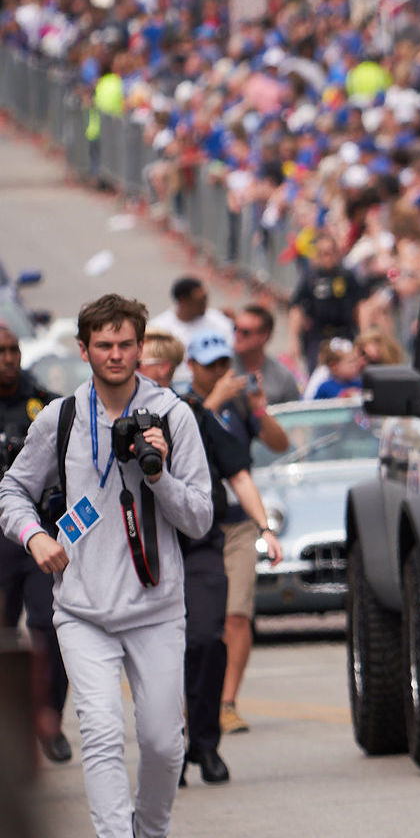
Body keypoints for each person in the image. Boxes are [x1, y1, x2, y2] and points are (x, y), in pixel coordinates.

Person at [0, 296, 213, 838]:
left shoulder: (172, 415)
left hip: (155, 605)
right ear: (85, 349)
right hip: (83, 609)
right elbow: (12, 488)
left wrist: (157, 476)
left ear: (140, 347)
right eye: (103, 345)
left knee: (163, 742)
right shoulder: (61, 418)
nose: (115, 356)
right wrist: (34, 535)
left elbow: (199, 516)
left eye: (126, 345)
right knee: (98, 731)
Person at [137, 332, 279, 784]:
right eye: (149, 362)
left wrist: (265, 527)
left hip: (199, 541)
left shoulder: (192, 417)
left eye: (164, 364)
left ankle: (205, 741)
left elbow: (238, 472)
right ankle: (168, 748)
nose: (155, 371)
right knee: (157, 653)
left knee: (205, 639)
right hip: (143, 547)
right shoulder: (108, 417)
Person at [183, 330, 285, 737]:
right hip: (195, 526)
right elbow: (186, 437)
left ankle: (227, 702)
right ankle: (193, 703)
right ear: (192, 366)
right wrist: (214, 402)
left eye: (225, 363)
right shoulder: (183, 403)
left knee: (237, 615)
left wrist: (259, 410)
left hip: (239, 523)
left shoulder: (241, 403)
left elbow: (278, 443)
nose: (221, 372)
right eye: (211, 366)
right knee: (197, 624)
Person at [0, 323, 67, 762]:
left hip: (35, 534)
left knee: (50, 628)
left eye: (13, 350)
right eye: (0, 351)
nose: (8, 358)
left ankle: (50, 719)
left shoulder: (42, 402)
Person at [287, 233, 370, 374]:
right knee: (318, 373)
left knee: (349, 372)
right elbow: (297, 308)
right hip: (318, 336)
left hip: (345, 333)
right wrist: (293, 340)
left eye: (331, 252)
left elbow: (361, 306)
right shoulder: (310, 278)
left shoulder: (347, 276)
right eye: (323, 253)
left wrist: (365, 336)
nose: (328, 257)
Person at [230, 305, 300, 404]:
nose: (237, 335)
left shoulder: (283, 378)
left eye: (245, 332)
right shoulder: (217, 367)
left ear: (264, 336)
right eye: (235, 328)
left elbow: (293, 418)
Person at [146, 278, 231, 352]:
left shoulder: (219, 321)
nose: (205, 304)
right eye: (200, 301)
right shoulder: (158, 328)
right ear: (182, 300)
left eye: (205, 298)